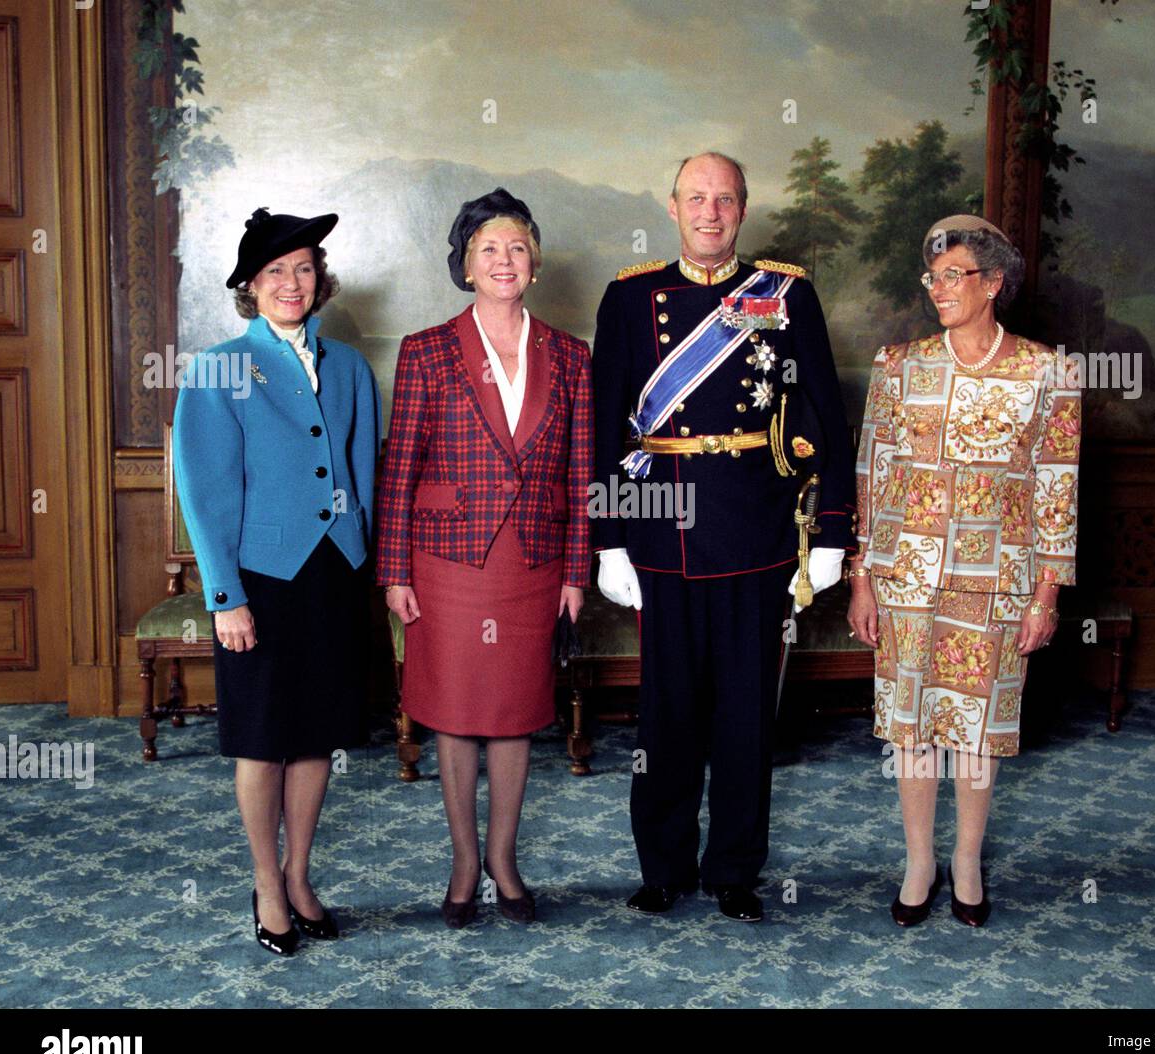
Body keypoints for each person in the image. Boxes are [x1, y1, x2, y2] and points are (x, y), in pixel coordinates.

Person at [592, 152, 855, 922]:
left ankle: (736, 867)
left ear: (744, 209)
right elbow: (607, 422)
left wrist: (833, 530)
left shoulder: (788, 293)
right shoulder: (629, 296)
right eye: (697, 198)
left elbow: (827, 417)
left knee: (746, 712)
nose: (711, 212)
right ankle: (664, 864)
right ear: (672, 207)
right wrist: (609, 537)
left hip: (758, 529)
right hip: (662, 530)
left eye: (726, 200)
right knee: (665, 712)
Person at [848, 214, 1081, 928]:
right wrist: (863, 574)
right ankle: (920, 860)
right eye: (933, 276)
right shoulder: (898, 366)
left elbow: (1056, 485)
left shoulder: (1048, 371)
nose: (939, 288)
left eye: (954, 275)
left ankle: (969, 859)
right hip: (907, 574)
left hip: (999, 581)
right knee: (913, 725)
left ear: (994, 284)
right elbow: (873, 471)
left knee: (977, 726)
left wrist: (1047, 592)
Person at [376, 189, 593, 929]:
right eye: (488, 249)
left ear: (534, 264)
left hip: (532, 564)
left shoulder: (570, 354)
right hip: (449, 565)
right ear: (465, 266)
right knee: (456, 716)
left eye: (518, 248)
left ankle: (504, 858)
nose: (505, 261)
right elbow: (398, 468)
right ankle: (465, 862)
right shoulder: (427, 350)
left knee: (513, 716)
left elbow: (581, 472)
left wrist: (576, 571)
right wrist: (394, 572)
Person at [174, 208, 381, 955]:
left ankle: (300, 875)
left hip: (332, 573)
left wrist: (366, 563)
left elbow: (362, 472)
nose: (292, 283)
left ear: (318, 279)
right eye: (274, 273)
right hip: (260, 579)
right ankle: (266, 883)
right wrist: (225, 597)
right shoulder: (219, 369)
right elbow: (204, 493)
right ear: (250, 288)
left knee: (318, 735)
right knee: (263, 740)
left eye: (303, 268)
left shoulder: (351, 367)